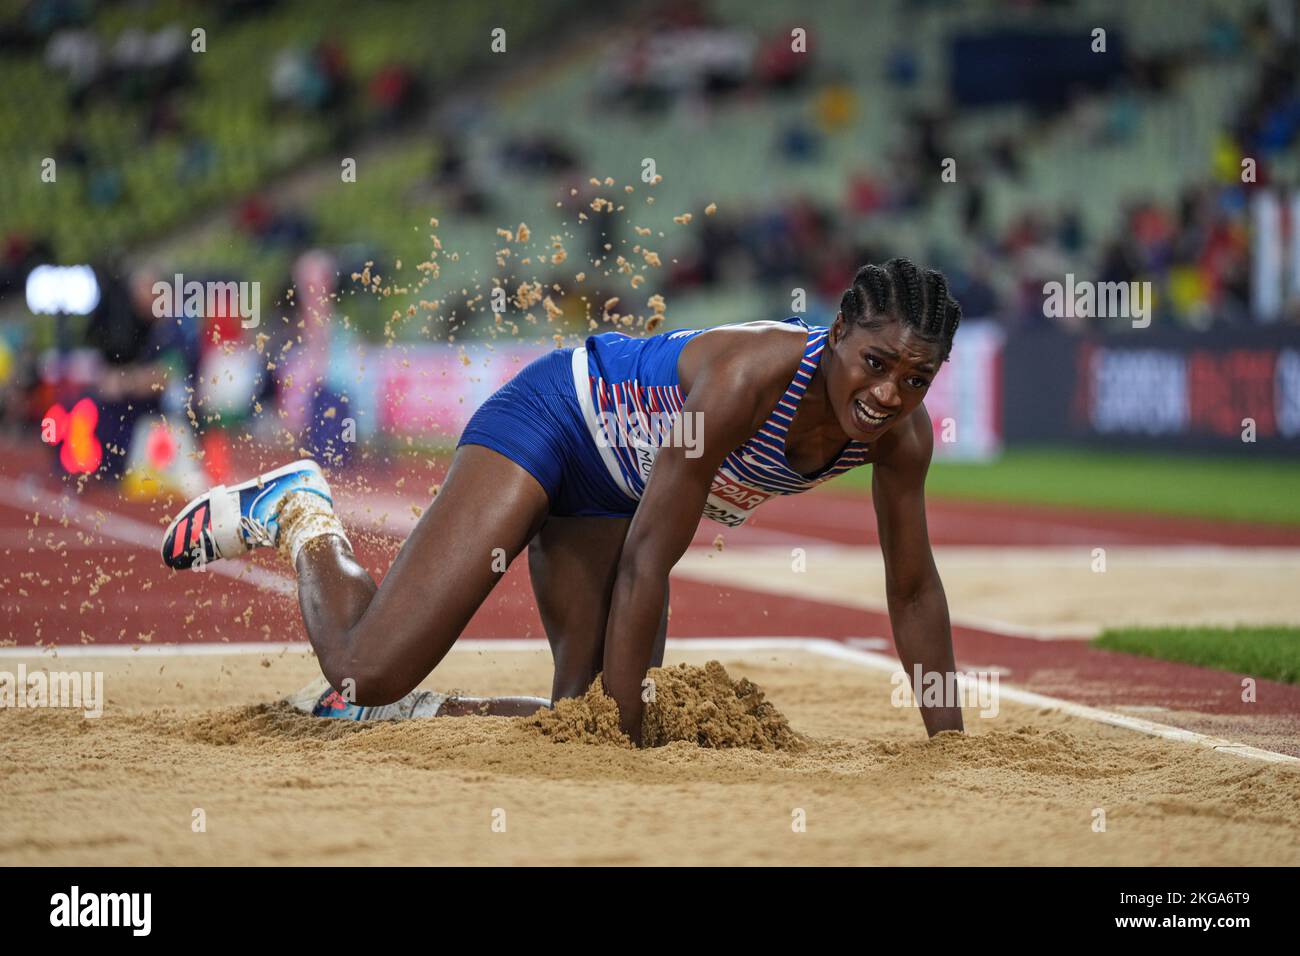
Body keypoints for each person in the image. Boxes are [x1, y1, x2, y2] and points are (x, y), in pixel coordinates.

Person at [160, 258, 965, 740]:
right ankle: (300, 508)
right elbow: (651, 558)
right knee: (364, 671)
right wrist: (623, 735)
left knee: (582, 718)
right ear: (837, 334)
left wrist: (949, 742)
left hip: (615, 495)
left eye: (916, 379)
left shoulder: (901, 438)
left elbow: (914, 588)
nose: (890, 394)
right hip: (554, 424)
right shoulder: (743, 383)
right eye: (877, 363)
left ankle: (423, 714)